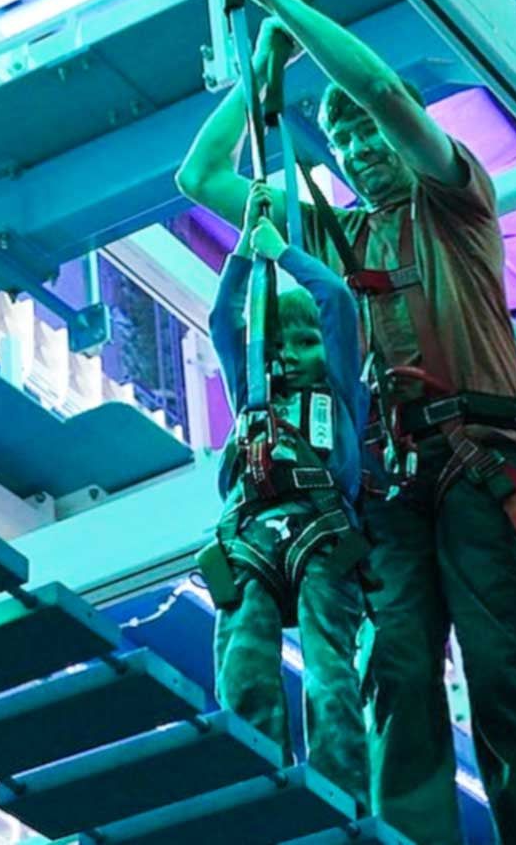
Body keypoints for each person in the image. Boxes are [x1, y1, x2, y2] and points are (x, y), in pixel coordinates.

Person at [176, 0, 516, 845]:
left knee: (500, 674)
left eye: (364, 136)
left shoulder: (454, 201)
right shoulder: (329, 239)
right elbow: (200, 175)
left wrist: (283, 4)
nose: (357, 148)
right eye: (340, 140)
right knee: (393, 671)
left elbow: (385, 91)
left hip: (479, 459)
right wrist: (260, 74)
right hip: (391, 486)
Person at [202, 181, 370, 806]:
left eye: (306, 342)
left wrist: (284, 254)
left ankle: (341, 795)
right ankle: (254, 788)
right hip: (250, 537)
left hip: (321, 532)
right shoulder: (251, 392)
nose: (295, 355)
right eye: (281, 346)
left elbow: (337, 303)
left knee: (331, 677)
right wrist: (243, 251)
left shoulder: (344, 396)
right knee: (245, 668)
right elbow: (225, 320)